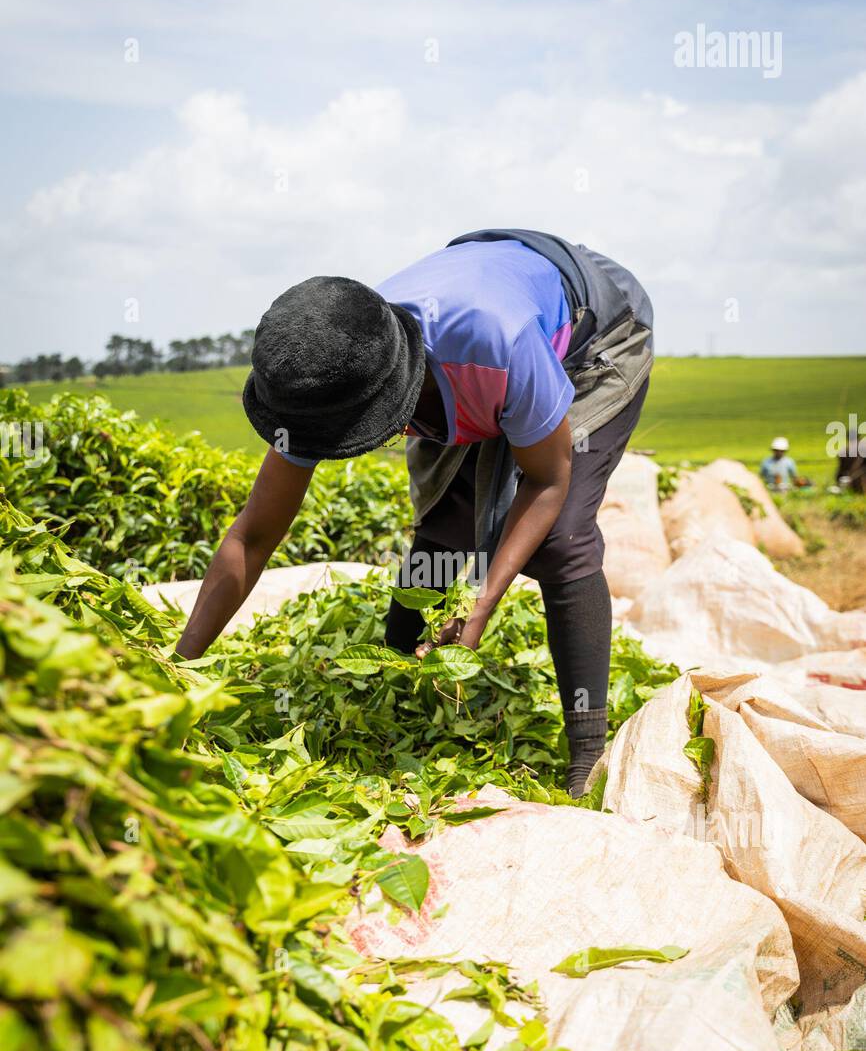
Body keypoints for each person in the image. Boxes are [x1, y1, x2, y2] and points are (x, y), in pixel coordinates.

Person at [175, 229, 654, 797]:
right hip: (460, 348)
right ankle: (395, 674)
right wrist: (179, 671)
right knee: (448, 521)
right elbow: (252, 538)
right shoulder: (323, 370)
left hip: (594, 332)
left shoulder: (495, 344)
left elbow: (548, 482)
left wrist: (481, 604)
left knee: (560, 539)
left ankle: (586, 752)